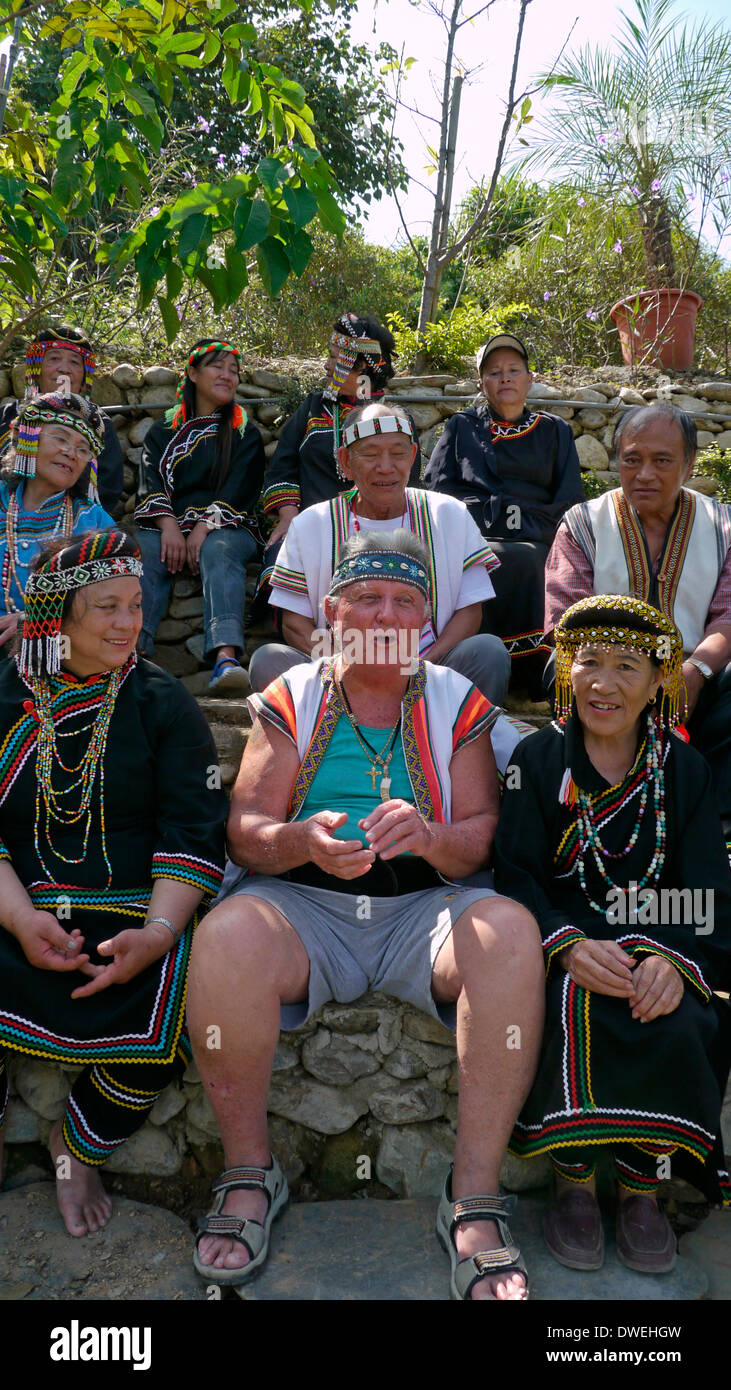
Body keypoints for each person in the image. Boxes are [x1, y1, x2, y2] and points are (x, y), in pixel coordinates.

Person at [187, 531, 544, 1300]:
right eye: (367, 597)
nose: (386, 613)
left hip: (427, 907)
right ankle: (249, 1174)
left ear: (425, 621)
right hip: (302, 905)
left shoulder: (459, 701)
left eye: (406, 600)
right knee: (223, 939)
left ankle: (473, 1196)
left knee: (510, 933)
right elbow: (244, 829)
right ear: (330, 610)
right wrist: (297, 841)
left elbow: (482, 828)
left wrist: (432, 837)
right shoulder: (292, 696)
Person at [494, 595, 731, 1275]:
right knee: (572, 1004)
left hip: (659, 936)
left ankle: (640, 1188)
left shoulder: (683, 770)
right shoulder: (538, 761)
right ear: (566, 673)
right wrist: (564, 944)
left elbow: (707, 889)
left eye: (626, 667)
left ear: (659, 681)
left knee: (680, 1012)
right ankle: (571, 1183)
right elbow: (513, 875)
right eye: (588, 663)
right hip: (566, 935)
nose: (603, 683)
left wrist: (671, 958)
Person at [0, 529, 227, 1237]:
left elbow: (192, 829)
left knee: (179, 1006)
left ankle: (75, 1148)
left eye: (134, 603)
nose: (129, 622)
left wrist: (157, 934)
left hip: (134, 911)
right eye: (106, 607)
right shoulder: (4, 693)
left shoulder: (162, 702)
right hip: (15, 900)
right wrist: (16, 918)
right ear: (57, 619)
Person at [544, 402, 731, 848]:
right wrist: (632, 674)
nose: (644, 473)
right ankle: (589, 808)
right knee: (562, 669)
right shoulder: (583, 525)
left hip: (694, 679)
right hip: (603, 672)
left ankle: (718, 824)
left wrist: (695, 672)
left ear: (688, 464)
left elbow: (728, 614)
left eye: (662, 461)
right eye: (632, 459)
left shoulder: (722, 526)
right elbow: (564, 621)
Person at [250, 400, 513, 713]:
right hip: (337, 677)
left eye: (398, 453)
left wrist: (422, 666)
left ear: (413, 457)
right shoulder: (311, 524)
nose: (386, 467)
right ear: (345, 461)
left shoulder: (448, 514)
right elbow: (294, 622)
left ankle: (458, 750)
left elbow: (470, 612)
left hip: (429, 675)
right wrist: (344, 667)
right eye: (371, 454)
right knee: (268, 661)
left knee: (488, 652)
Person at [425, 333, 583, 692]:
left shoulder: (555, 431)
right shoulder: (461, 427)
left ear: (530, 379)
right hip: (472, 534)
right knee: (482, 559)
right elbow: (438, 491)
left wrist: (523, 522)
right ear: (482, 384)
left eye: (514, 370)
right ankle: (469, 666)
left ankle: (534, 675)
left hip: (535, 536)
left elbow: (569, 501)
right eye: (494, 372)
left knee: (530, 560)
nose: (505, 378)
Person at [253, 311, 421, 609]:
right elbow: (283, 464)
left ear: (360, 367)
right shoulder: (313, 408)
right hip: (312, 524)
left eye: (334, 357)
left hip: (379, 528)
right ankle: (303, 641)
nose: (327, 364)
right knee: (284, 554)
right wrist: (289, 515)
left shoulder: (396, 419)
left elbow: (410, 481)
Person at [134, 338, 265, 694]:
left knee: (219, 549)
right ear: (192, 373)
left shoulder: (244, 433)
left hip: (229, 528)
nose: (227, 376)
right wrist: (170, 528)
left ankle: (225, 657)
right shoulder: (162, 431)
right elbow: (151, 480)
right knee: (143, 549)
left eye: (233, 370)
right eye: (217, 367)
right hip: (169, 526)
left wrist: (203, 529)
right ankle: (133, 652)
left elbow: (241, 489)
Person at [0, 391, 114, 655]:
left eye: (82, 449)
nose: (71, 453)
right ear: (29, 438)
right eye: (60, 438)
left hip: (60, 649)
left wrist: (35, 620)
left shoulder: (94, 521)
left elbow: (113, 599)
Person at [0, 326, 124, 513]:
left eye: (75, 362)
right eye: (54, 358)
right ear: (37, 367)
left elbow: (108, 488)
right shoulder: (6, 415)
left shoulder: (98, 425)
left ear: (84, 376)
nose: (64, 369)